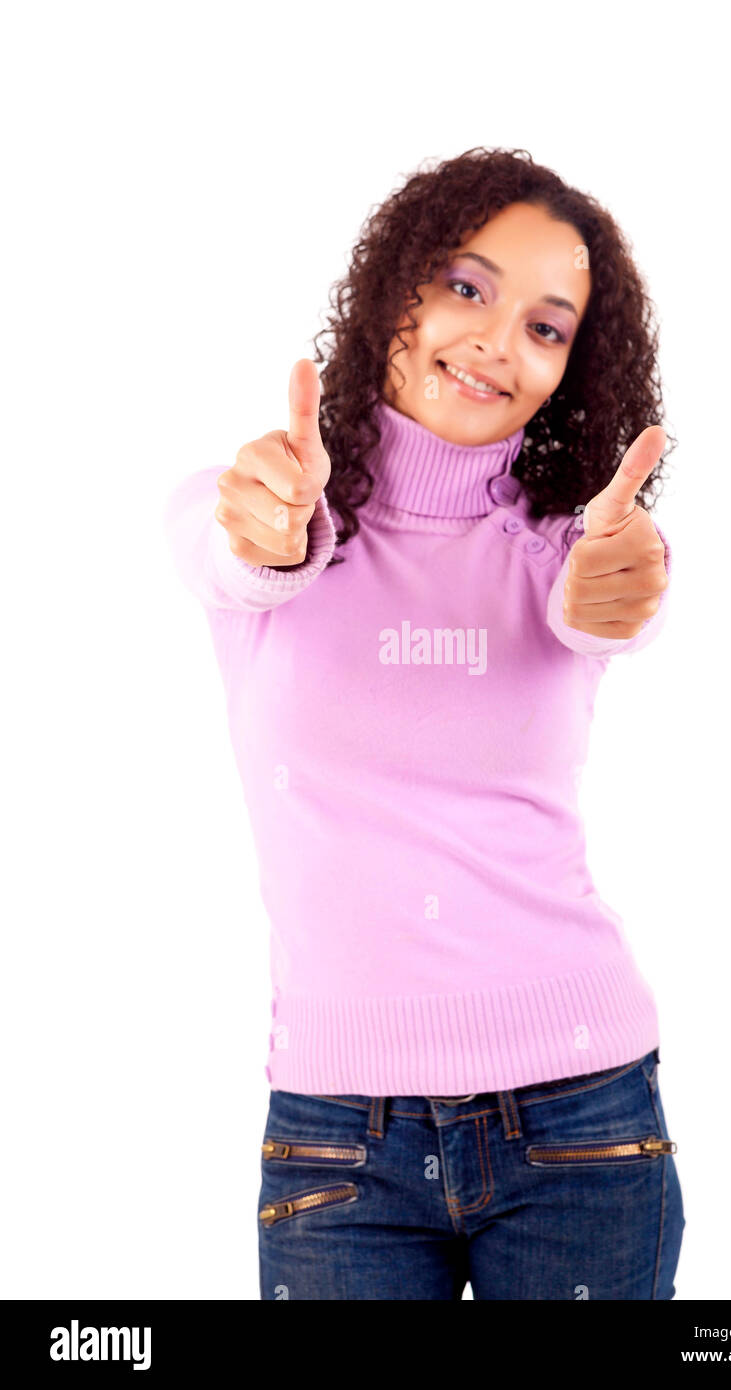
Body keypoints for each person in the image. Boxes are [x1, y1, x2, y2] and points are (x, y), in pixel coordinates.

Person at [164, 147, 685, 1300]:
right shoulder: (263, 515)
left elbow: (611, 599)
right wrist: (260, 526)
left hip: (582, 1126)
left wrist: (625, 581)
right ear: (397, 285)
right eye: (466, 285)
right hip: (335, 1144)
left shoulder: (565, 553)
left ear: (569, 371)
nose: (498, 340)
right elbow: (236, 548)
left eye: (546, 327)